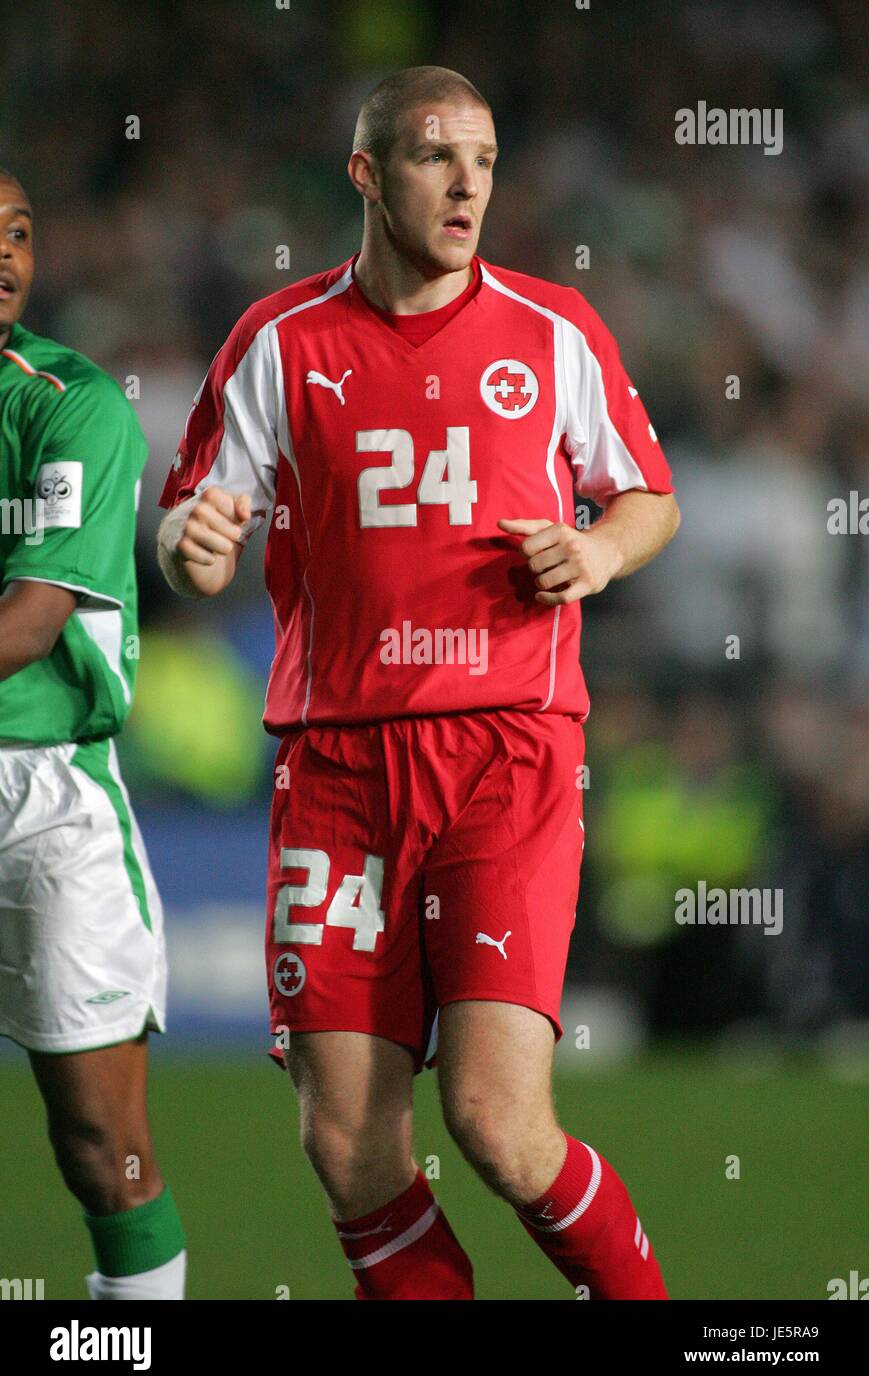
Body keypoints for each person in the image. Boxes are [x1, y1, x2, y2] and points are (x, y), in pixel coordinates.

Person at [157, 67, 679, 1300]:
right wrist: (191, 549)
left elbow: (646, 494)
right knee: (348, 1144)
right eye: (436, 158)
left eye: (485, 162)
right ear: (365, 173)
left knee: (496, 1122)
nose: (466, 186)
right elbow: (196, 521)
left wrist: (598, 548)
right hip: (334, 771)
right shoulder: (277, 342)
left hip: (504, 749)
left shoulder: (552, 330)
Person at [0, 168, 185, 1299]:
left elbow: (30, 620)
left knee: (101, 1151)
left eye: (19, 231)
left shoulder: (73, 402)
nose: (5, 254)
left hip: (46, 799)